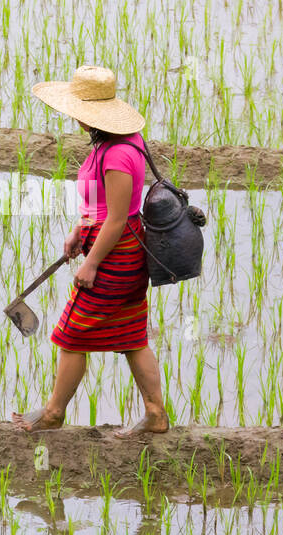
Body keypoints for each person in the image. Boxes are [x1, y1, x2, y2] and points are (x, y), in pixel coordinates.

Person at [12, 65, 169, 437]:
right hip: (118, 244)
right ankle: (155, 414)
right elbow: (106, 207)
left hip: (116, 254)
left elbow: (117, 217)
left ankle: (53, 412)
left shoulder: (115, 153)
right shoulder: (121, 140)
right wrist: (79, 230)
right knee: (132, 336)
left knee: (70, 335)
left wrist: (91, 264)